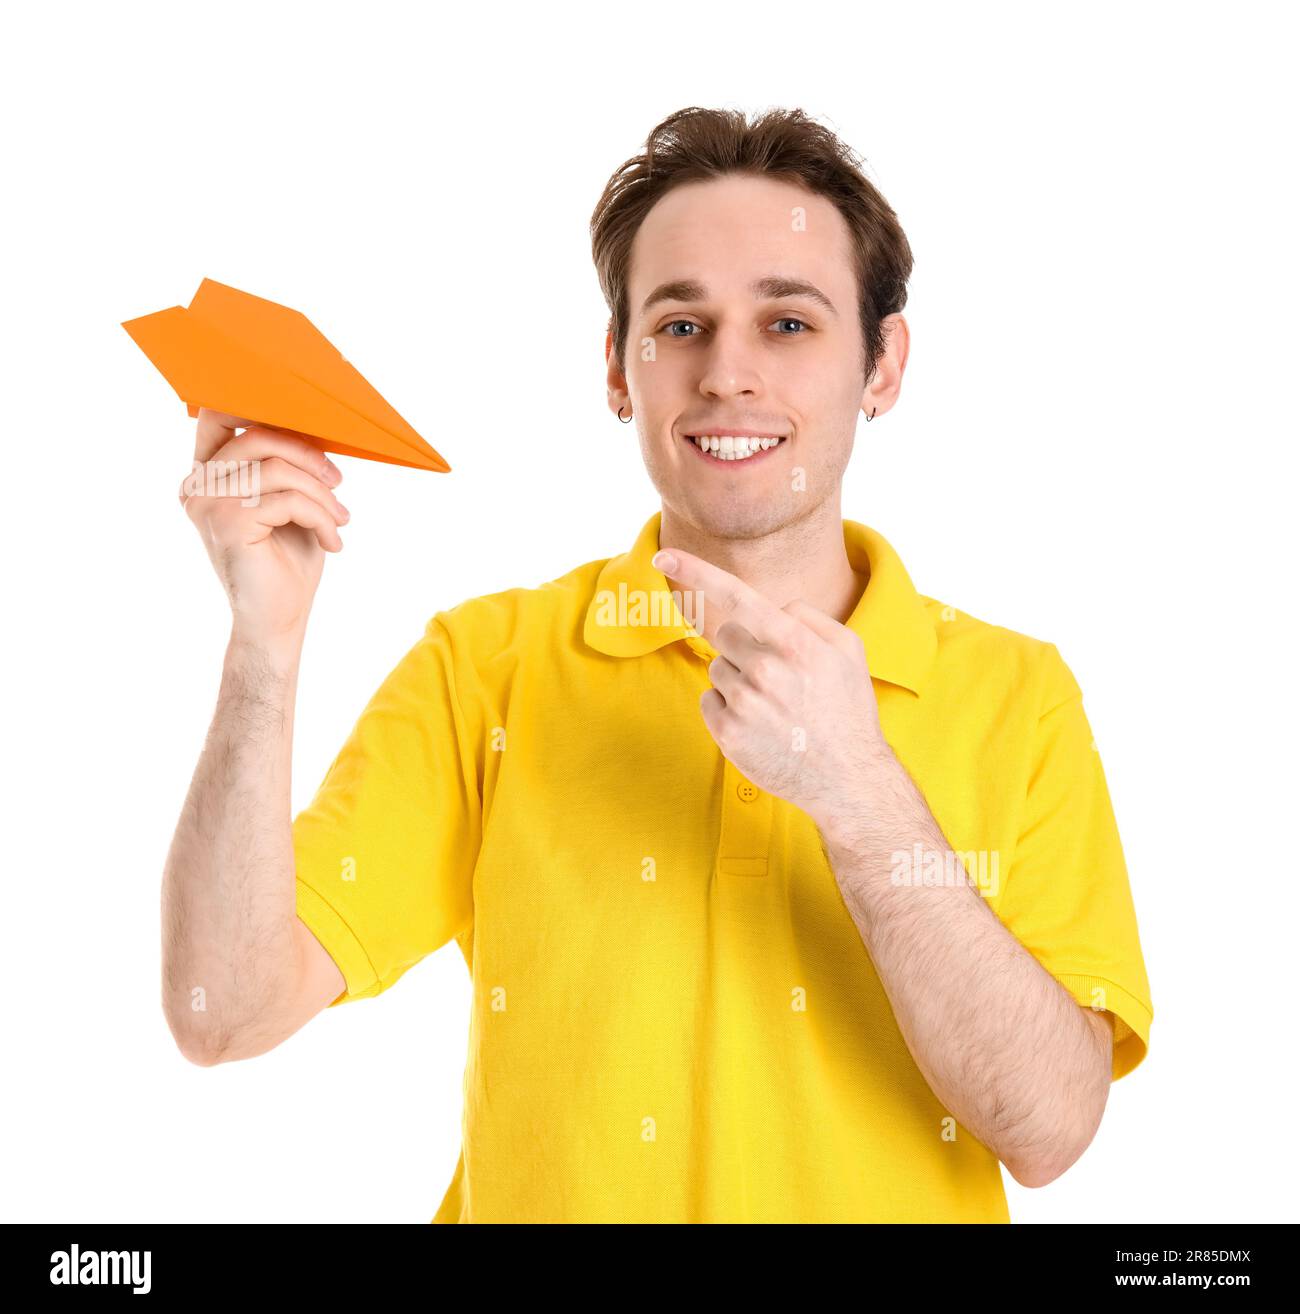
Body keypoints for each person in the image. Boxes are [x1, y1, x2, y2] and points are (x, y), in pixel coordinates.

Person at [162, 106, 1154, 1224]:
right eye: (680, 326)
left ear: (882, 366)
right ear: (617, 369)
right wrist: (264, 642)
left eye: (788, 323)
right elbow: (222, 1012)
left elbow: (1051, 1129)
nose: (728, 374)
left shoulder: (1018, 699)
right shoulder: (486, 667)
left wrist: (859, 793)